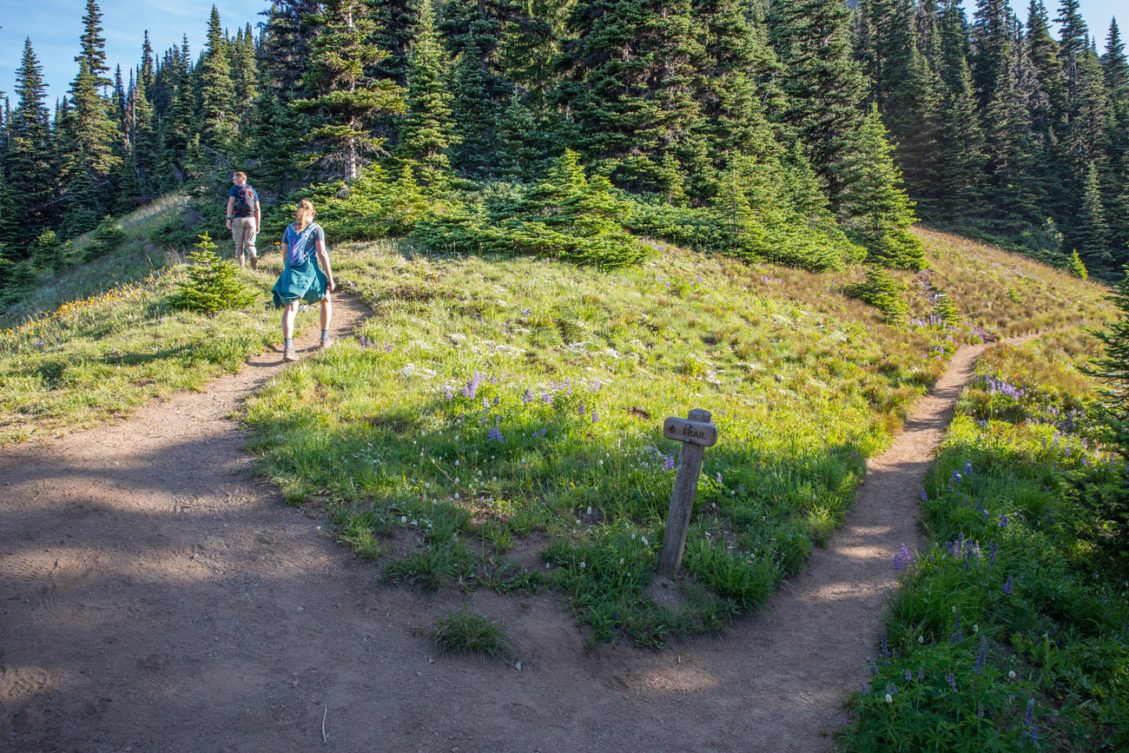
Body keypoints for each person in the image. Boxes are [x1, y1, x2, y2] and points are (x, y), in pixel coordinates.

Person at [272, 199, 335, 362]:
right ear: (312, 213)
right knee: (326, 298)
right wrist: (330, 277)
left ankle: (288, 348)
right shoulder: (316, 228)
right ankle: (324, 338)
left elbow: (284, 253)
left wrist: (288, 269)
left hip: (291, 271)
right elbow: (322, 252)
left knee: (290, 309)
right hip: (310, 270)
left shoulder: (289, 229)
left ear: (297, 212)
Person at [225, 171, 260, 269]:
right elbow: (257, 208)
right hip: (251, 219)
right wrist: (258, 224)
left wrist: (228, 218)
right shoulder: (252, 190)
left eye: (235, 179)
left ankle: (242, 268)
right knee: (250, 244)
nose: (233, 181)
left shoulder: (235, 189)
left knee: (239, 245)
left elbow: (231, 203)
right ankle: (253, 259)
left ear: (241, 178)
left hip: (238, 219)